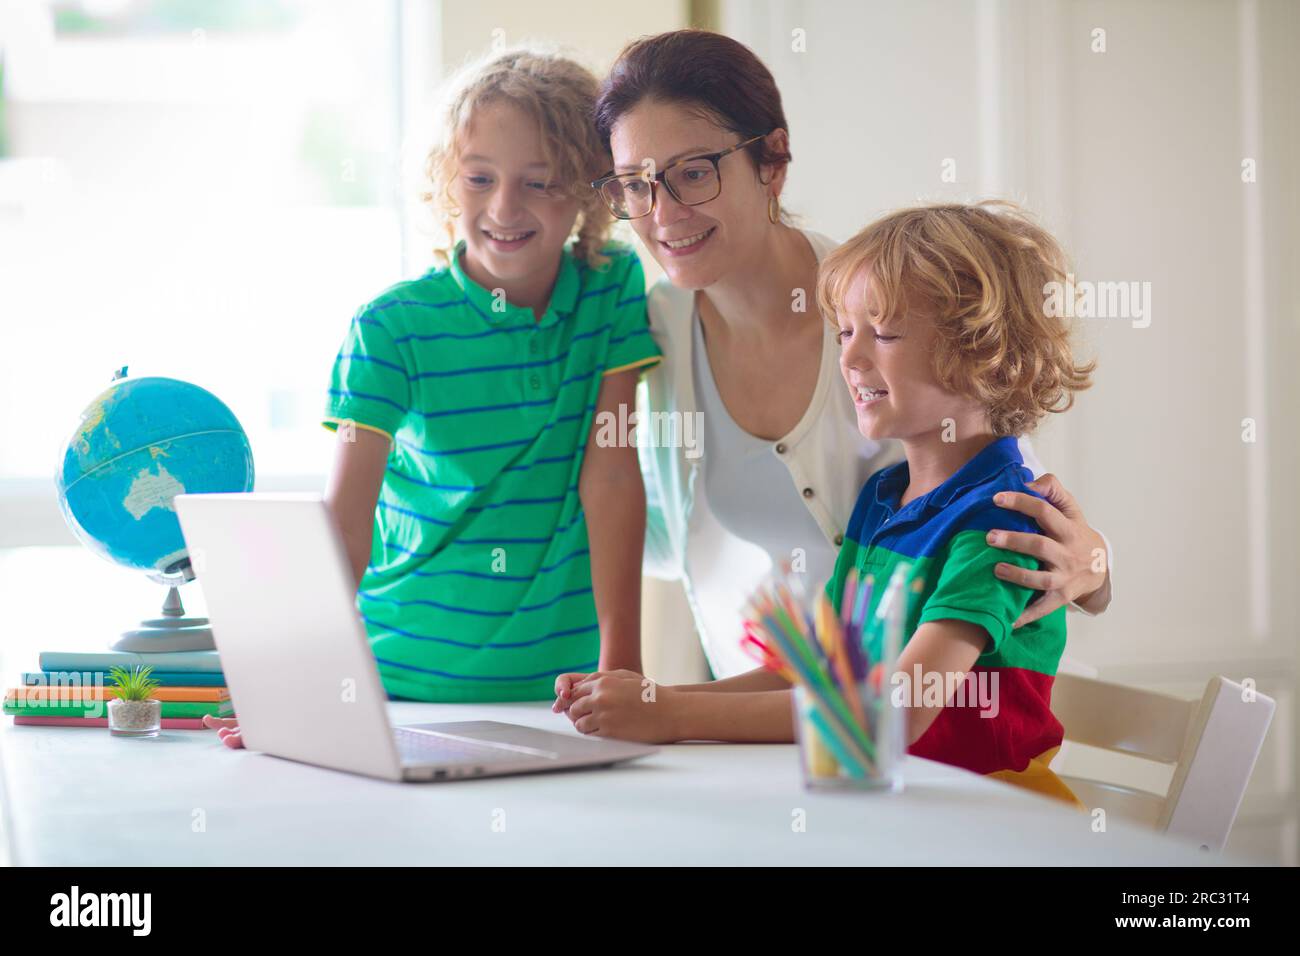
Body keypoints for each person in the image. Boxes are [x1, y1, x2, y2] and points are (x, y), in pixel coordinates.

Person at [206, 48, 660, 746]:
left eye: (539, 182)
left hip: (560, 694)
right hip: (400, 686)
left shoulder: (612, 289)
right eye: (478, 178)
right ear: (446, 185)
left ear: (585, 190)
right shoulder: (390, 327)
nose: (504, 208)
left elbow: (611, 475)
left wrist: (621, 664)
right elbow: (347, 521)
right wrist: (297, 687)